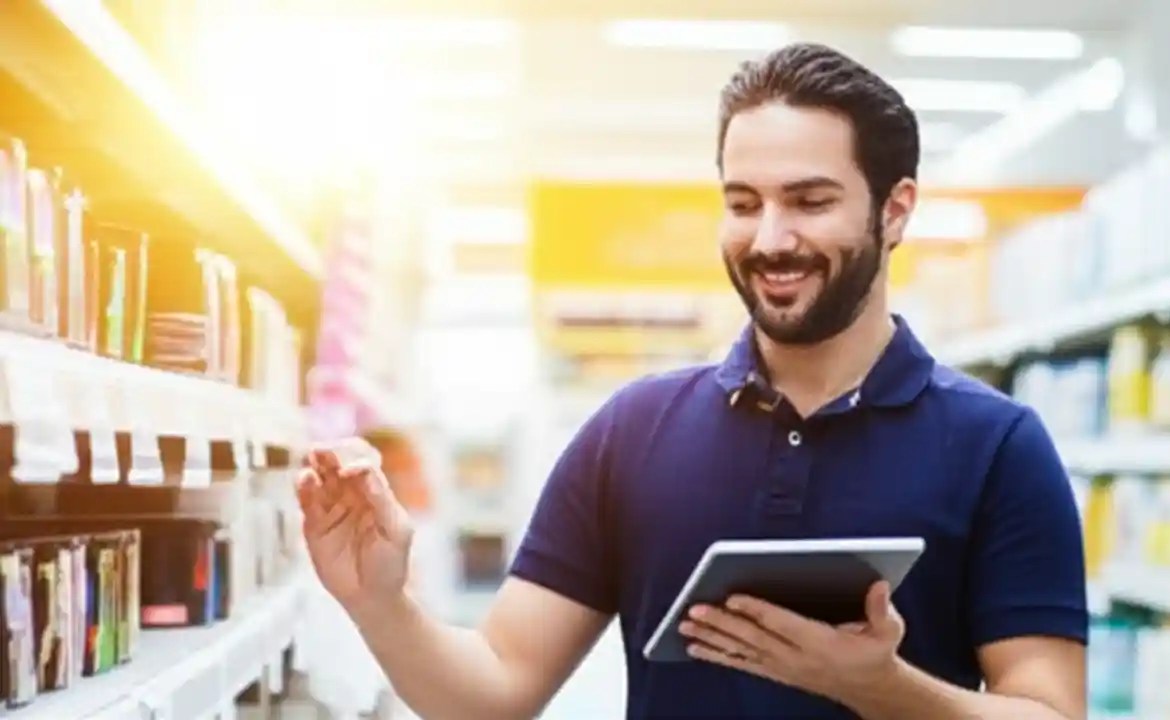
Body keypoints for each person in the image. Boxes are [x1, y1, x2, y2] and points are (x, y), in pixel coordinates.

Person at [296, 42, 1087, 720]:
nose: (771, 238)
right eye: (744, 203)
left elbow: (1050, 708)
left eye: (810, 201)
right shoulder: (633, 432)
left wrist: (886, 690)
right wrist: (381, 603)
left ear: (895, 211)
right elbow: (496, 691)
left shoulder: (998, 447)